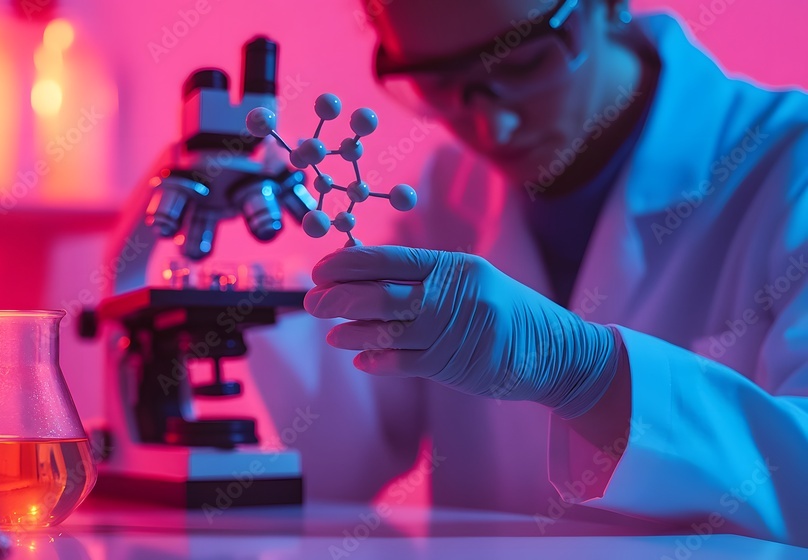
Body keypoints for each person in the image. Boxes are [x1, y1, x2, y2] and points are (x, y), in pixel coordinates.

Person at [293, 0, 808, 546]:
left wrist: (588, 374)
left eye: (525, 63)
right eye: (438, 81)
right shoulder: (449, 190)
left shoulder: (788, 168)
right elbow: (343, 459)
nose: (495, 124)